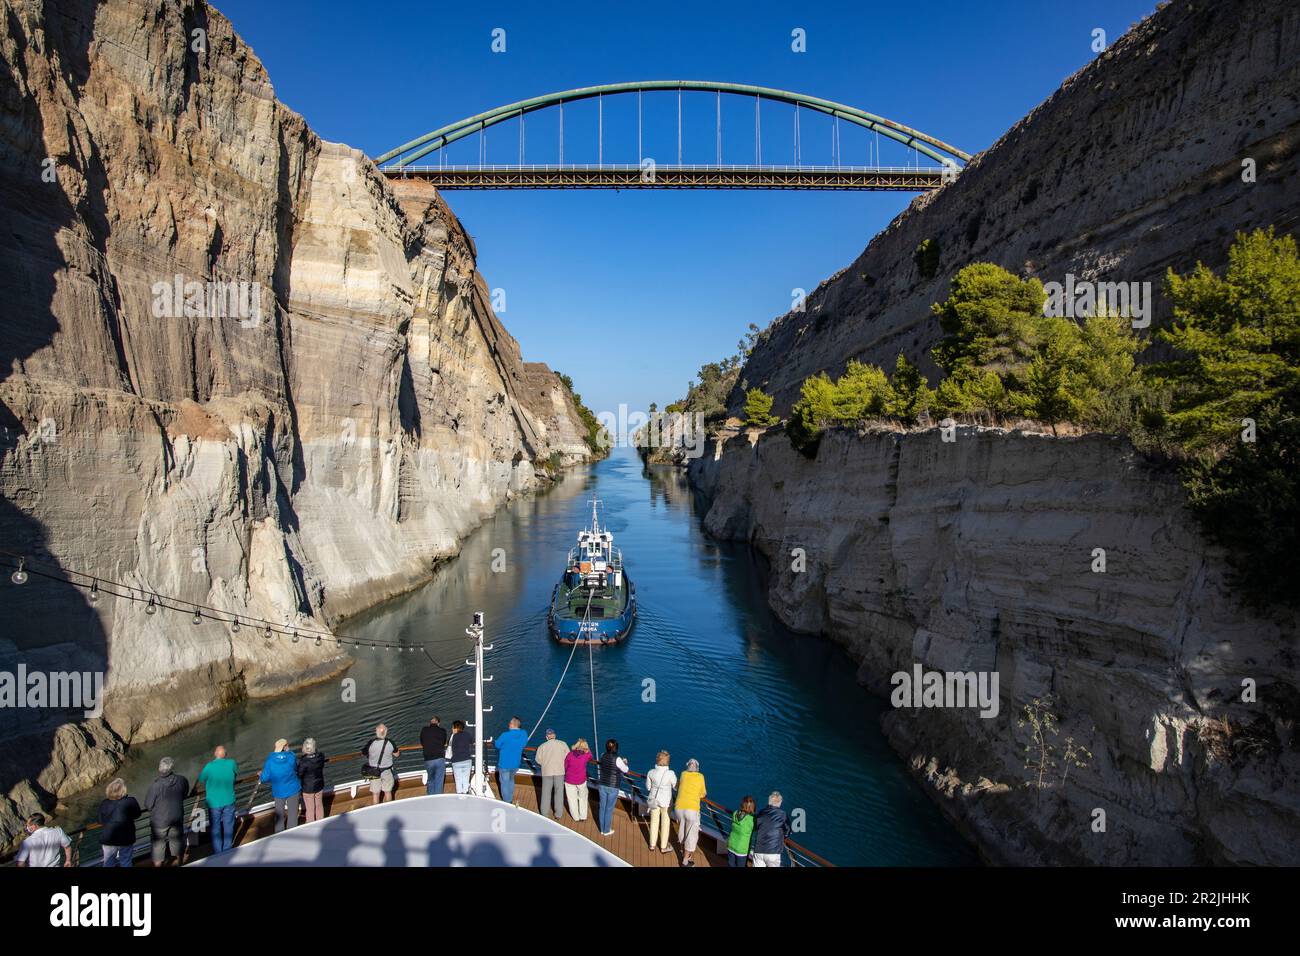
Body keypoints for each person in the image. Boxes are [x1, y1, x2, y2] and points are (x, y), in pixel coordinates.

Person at [143, 756, 190, 866]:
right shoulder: (181, 780)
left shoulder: (155, 786)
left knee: (158, 848)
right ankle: (180, 863)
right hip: (177, 817)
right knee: (177, 842)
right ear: (171, 768)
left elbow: (148, 805)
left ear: (160, 769)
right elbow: (184, 793)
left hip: (159, 821)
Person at [197, 745, 238, 853]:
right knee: (229, 826)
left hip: (214, 803)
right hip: (229, 799)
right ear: (226, 755)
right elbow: (235, 774)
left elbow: (201, 779)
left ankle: (218, 853)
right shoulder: (232, 763)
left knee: (215, 829)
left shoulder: (209, 766)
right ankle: (227, 850)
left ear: (215, 754)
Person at [259, 738, 301, 832]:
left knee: (279, 816)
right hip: (293, 789)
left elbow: (264, 778)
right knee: (293, 814)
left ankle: (279, 834)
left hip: (278, 791)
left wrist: (261, 774)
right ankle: (293, 834)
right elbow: (296, 768)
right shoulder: (291, 757)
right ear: (285, 747)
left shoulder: (270, 760)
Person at [98, 777, 142, 867]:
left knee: (108, 863)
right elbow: (137, 815)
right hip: (126, 837)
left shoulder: (104, 803)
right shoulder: (130, 801)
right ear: (123, 790)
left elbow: (100, 820)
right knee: (126, 861)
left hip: (109, 838)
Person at [674, 758, 707, 867]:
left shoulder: (683, 774)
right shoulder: (700, 776)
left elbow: (678, 787)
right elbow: (703, 794)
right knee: (691, 835)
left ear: (687, 766)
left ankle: (685, 854)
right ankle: (685, 861)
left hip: (679, 807)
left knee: (682, 831)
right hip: (691, 809)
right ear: (697, 768)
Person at [644, 750, 678, 855]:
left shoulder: (651, 772)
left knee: (654, 822)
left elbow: (648, 787)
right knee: (665, 823)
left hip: (654, 801)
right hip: (666, 802)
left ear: (657, 760)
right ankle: (663, 847)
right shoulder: (670, 773)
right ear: (667, 761)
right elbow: (676, 787)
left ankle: (652, 844)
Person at [534, 728, 569, 820]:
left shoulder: (542, 746)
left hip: (547, 772)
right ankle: (558, 814)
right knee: (559, 793)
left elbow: (538, 760)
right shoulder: (563, 744)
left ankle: (544, 813)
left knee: (546, 792)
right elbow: (568, 757)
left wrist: (545, 764)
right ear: (555, 735)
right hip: (559, 772)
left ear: (546, 737)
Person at [596, 738, 628, 837]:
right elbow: (625, 770)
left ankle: (602, 829)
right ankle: (606, 830)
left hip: (602, 785)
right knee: (609, 809)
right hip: (613, 786)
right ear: (616, 748)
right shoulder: (618, 759)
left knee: (602, 807)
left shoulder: (602, 755)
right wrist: (625, 762)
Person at [750, 791, 792, 868]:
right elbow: (788, 831)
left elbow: (756, 826)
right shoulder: (783, 814)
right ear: (780, 802)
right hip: (773, 851)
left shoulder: (761, 812)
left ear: (769, 802)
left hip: (759, 849)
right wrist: (783, 836)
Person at [362, 724, 400, 805]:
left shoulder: (371, 743)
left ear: (376, 731)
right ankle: (388, 807)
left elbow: (364, 753)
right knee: (387, 791)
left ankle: (376, 810)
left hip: (374, 771)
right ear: (386, 732)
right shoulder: (390, 742)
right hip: (387, 771)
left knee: (375, 793)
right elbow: (397, 754)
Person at [495, 716, 527, 804]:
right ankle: (510, 797)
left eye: (509, 723)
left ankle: (507, 801)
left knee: (504, 782)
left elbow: (497, 745)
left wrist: (503, 747)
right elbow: (524, 743)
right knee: (511, 780)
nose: (508, 724)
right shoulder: (524, 733)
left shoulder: (505, 735)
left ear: (512, 725)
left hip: (504, 764)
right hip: (515, 763)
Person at [563, 738, 594, 821]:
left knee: (571, 799)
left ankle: (575, 817)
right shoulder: (586, 755)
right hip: (581, 781)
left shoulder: (570, 754)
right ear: (585, 747)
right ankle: (583, 816)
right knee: (583, 798)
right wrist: (588, 750)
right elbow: (591, 757)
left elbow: (565, 766)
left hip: (569, 780)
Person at [297, 738, 327, 823]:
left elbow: (299, 774)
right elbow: (321, 755)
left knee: (310, 808)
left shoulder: (303, 762)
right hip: (319, 784)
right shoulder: (321, 757)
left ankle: (311, 823)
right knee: (319, 805)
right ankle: (320, 821)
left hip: (307, 788)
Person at [420, 716, 448, 796]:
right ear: (438, 723)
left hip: (428, 758)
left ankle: (430, 797)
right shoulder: (442, 731)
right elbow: (443, 742)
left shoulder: (424, 730)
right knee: (439, 780)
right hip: (439, 758)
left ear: (430, 722)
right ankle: (438, 798)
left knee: (430, 779)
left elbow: (422, 742)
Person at [727, 795, 757, 867]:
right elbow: (755, 828)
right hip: (742, 849)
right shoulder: (751, 819)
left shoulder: (735, 813)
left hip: (731, 844)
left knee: (731, 865)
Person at [449, 720, 474, 794]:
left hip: (456, 761)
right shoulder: (467, 734)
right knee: (466, 780)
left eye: (452, 727)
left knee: (458, 780)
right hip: (466, 760)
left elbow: (449, 744)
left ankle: (460, 796)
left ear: (455, 728)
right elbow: (472, 741)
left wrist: (453, 734)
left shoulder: (453, 736)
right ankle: (466, 795)